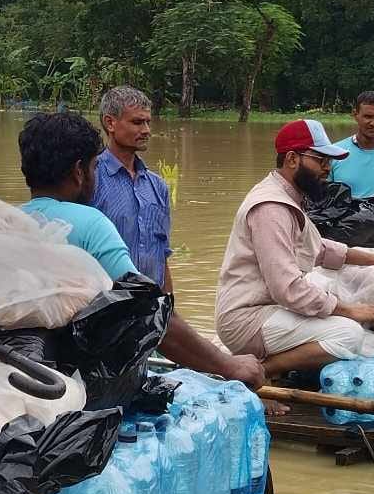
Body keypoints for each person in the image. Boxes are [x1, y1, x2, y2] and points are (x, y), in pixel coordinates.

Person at [90, 86, 266, 388]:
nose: (146, 130)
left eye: (148, 122)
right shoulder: (92, 179)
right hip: (105, 311)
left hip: (150, 309)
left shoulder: (156, 186)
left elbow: (161, 254)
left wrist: (169, 309)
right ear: (110, 123)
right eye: (137, 122)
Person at [214, 119, 374, 377]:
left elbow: (317, 249)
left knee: (328, 298)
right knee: (348, 334)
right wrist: (349, 311)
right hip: (247, 320)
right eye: (321, 160)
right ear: (292, 159)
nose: (327, 169)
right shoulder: (271, 209)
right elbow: (287, 288)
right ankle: (258, 373)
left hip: (267, 309)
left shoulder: (287, 197)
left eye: (328, 162)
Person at [18, 111, 139, 282]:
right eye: (94, 167)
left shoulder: (5, 223)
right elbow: (139, 293)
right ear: (79, 172)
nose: (95, 175)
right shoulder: (93, 225)